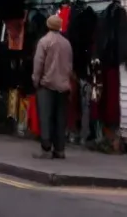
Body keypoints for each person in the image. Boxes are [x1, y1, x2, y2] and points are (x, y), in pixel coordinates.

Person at [31, 15, 73, 159]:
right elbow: (69, 65)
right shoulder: (67, 44)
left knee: (46, 117)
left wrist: (36, 81)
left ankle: (46, 148)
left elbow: (38, 64)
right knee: (60, 119)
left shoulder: (44, 42)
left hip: (47, 85)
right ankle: (60, 149)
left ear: (48, 25)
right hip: (63, 86)